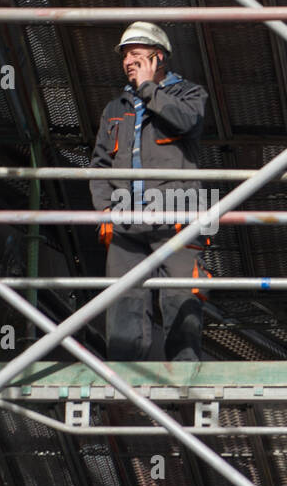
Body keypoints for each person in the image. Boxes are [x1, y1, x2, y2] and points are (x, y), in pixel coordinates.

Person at [89, 21, 209, 360]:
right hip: (126, 219)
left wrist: (148, 89)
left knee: (180, 297)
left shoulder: (189, 94)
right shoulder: (115, 109)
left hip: (177, 213)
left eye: (137, 56)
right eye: (126, 57)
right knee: (124, 301)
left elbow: (187, 122)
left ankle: (185, 375)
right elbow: (99, 165)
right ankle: (126, 379)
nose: (129, 63)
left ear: (158, 58)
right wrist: (104, 209)